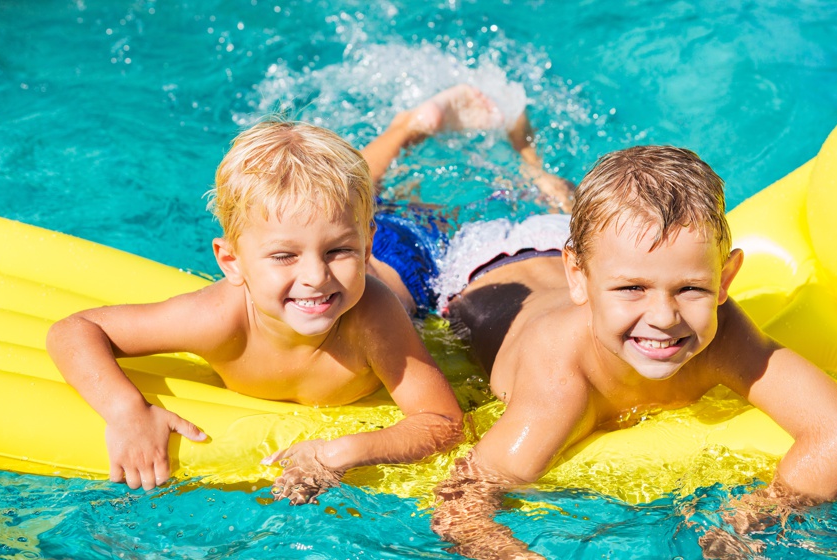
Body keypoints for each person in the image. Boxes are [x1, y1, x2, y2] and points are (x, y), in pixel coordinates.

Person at [430, 146, 837, 560]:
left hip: (601, 250)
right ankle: (517, 155)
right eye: (633, 290)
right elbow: (461, 506)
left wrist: (753, 517)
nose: (664, 318)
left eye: (690, 289)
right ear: (578, 277)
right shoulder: (560, 380)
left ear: (724, 279)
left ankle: (545, 179)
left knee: (573, 211)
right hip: (484, 270)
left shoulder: (723, 333)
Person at [45, 86, 528, 499]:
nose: (315, 277)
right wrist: (127, 412)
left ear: (362, 249)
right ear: (231, 262)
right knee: (343, 207)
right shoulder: (219, 318)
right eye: (283, 257)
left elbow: (444, 424)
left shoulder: (370, 316)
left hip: (407, 257)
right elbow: (75, 330)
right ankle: (406, 127)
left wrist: (344, 452)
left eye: (338, 252)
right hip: (368, 235)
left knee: (383, 205)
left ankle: (410, 134)